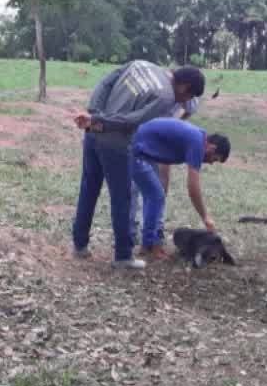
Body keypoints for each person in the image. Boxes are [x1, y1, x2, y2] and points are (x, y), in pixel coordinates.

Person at [70, 61, 205, 269]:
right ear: (184, 87)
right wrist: (100, 121)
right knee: (122, 197)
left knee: (89, 187)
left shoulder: (142, 65)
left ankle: (79, 245)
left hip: (93, 133)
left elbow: (106, 81)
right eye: (187, 97)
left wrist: (94, 114)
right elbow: (132, 121)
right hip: (114, 142)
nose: (183, 103)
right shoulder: (166, 97)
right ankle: (123, 256)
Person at [128, 117, 231, 260]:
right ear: (211, 148)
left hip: (144, 152)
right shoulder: (197, 143)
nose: (211, 163)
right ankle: (150, 246)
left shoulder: (196, 137)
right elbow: (193, 188)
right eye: (214, 159)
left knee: (155, 196)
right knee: (155, 196)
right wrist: (205, 217)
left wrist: (163, 188)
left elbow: (165, 158)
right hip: (134, 149)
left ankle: (148, 245)